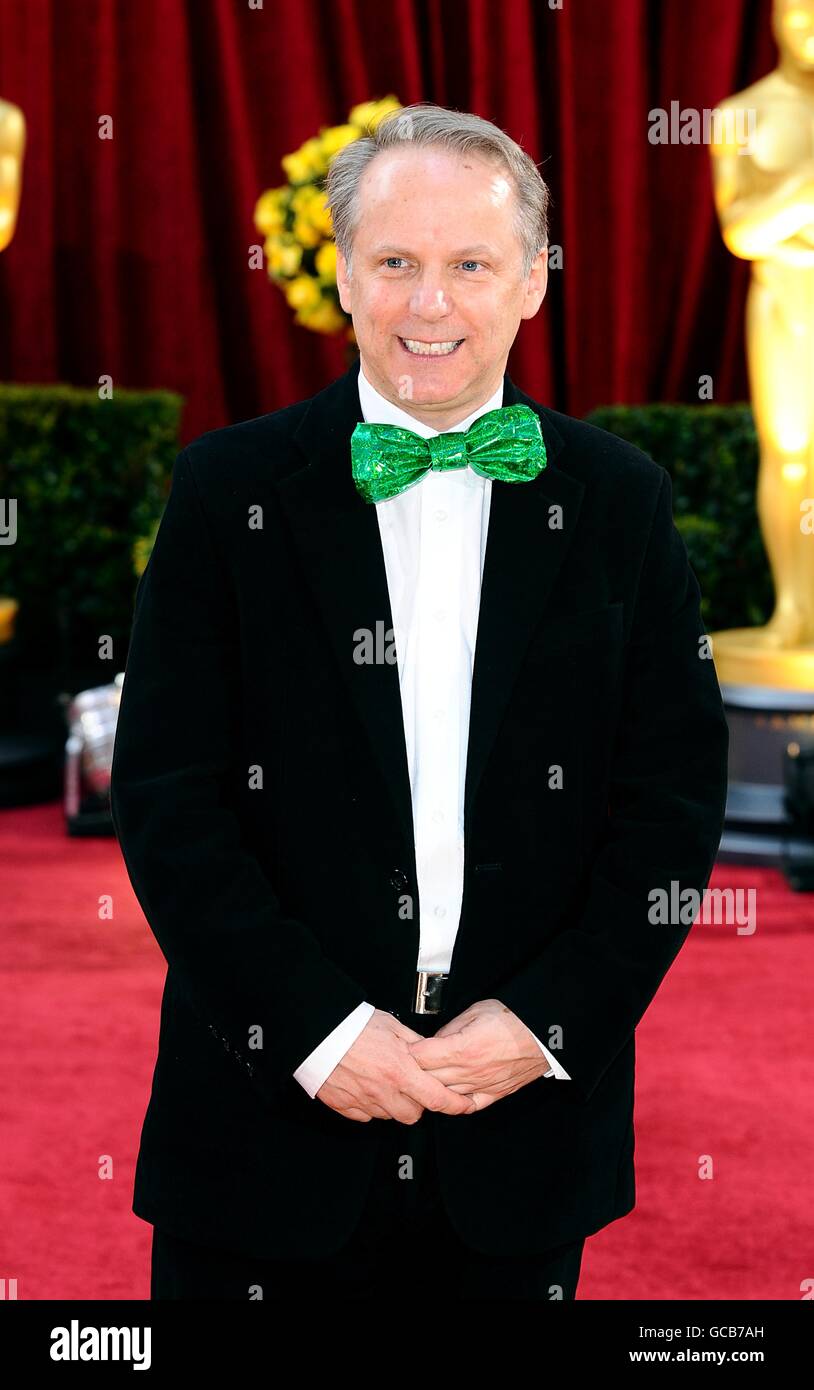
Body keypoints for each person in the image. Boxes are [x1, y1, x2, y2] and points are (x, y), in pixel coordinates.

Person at [110, 102, 730, 1301]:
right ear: (341, 276)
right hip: (261, 1129)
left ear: (535, 283)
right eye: (395, 262)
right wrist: (318, 1032)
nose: (429, 305)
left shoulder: (620, 502)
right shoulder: (224, 490)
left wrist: (550, 1019)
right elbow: (170, 798)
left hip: (521, 1144)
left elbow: (670, 804)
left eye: (468, 265)